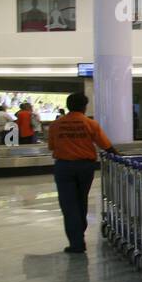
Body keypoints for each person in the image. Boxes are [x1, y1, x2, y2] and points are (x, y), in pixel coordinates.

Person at [46, 92, 118, 254]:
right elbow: (106, 146)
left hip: (63, 167)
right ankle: (80, 233)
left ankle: (76, 242)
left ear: (68, 105)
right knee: (81, 201)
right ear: (84, 107)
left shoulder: (56, 125)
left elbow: (51, 146)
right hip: (85, 167)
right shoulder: (90, 124)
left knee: (68, 204)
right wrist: (121, 157)